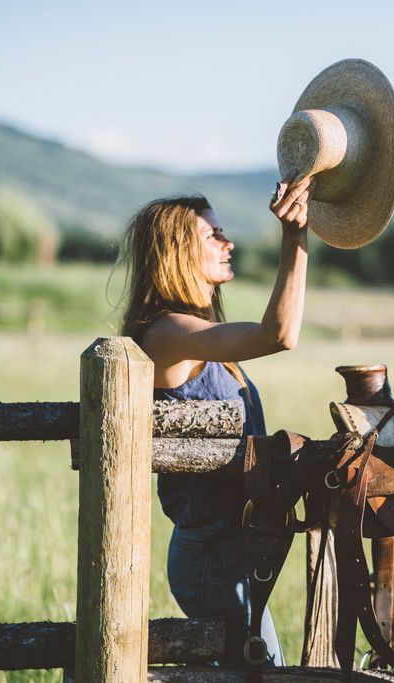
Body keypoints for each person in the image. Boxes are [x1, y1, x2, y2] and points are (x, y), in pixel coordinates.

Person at [118, 178, 312, 668]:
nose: (229, 244)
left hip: (230, 549)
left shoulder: (193, 334)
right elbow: (280, 334)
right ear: (179, 251)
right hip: (213, 554)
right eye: (213, 235)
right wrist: (296, 237)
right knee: (266, 674)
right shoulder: (166, 333)